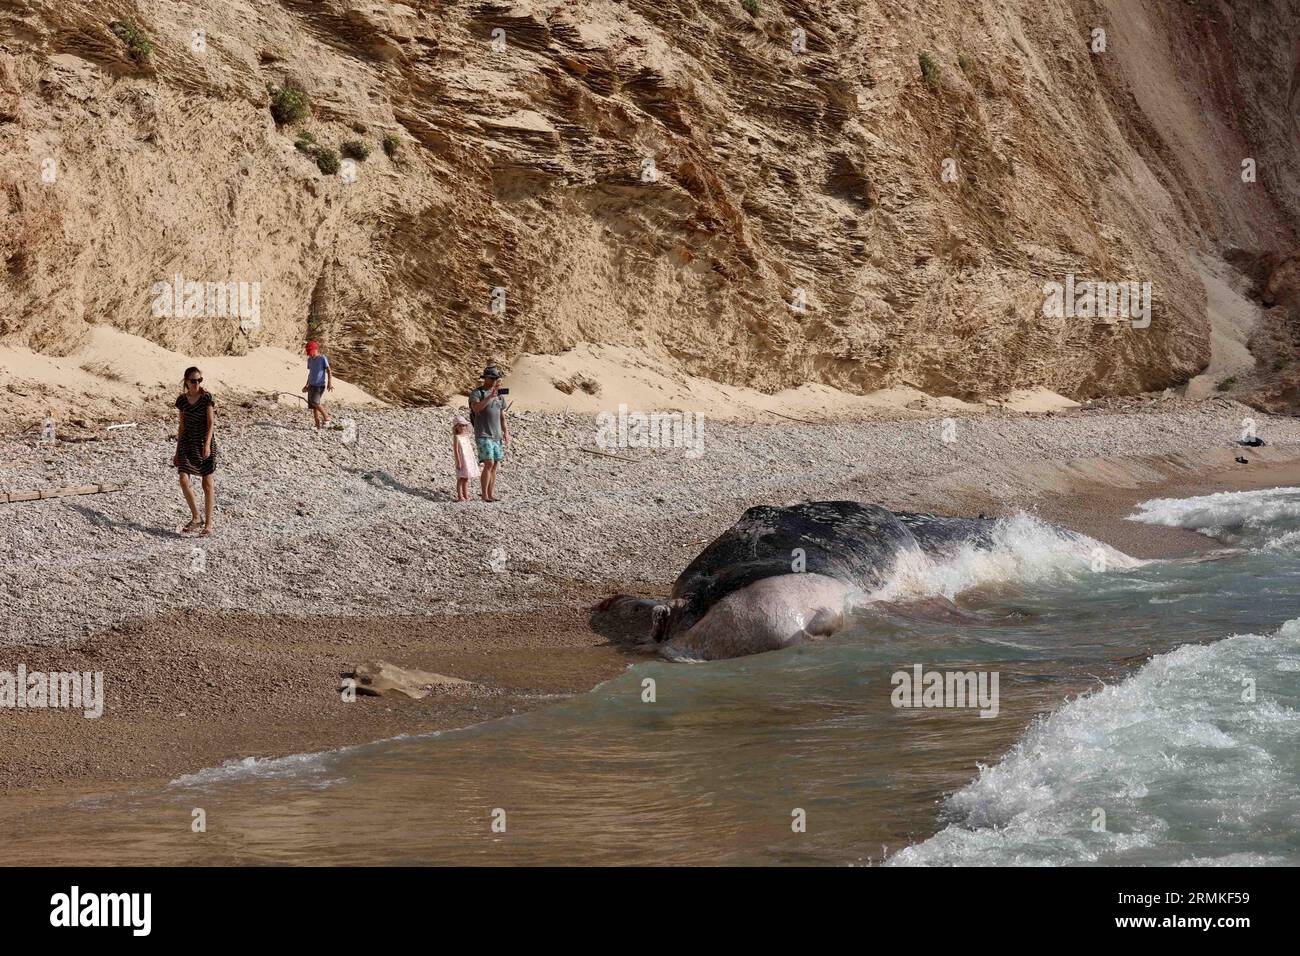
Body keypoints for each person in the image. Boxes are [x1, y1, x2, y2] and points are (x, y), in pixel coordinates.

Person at [173, 366, 216, 535]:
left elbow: (211, 423)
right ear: (187, 382)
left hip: (202, 441)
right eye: (193, 381)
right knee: (183, 479)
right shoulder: (182, 400)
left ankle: (209, 524)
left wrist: (207, 444)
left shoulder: (206, 398)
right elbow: (181, 425)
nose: (196, 384)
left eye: (199, 380)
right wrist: (177, 451)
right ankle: (196, 517)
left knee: (207, 484)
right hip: (186, 442)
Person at [467, 365, 508, 502]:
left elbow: (502, 415)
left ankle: (490, 494)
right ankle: (484, 494)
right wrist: (490, 396)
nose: (494, 381)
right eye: (492, 378)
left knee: (495, 464)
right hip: (483, 433)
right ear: (486, 378)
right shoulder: (478, 393)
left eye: (496, 378)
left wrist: (505, 432)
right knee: (488, 463)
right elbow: (476, 407)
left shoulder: (500, 396)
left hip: (496, 435)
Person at [301, 341, 333, 430]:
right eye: (308, 352)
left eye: (310, 351)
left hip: (319, 385)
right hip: (311, 385)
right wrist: (306, 385)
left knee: (315, 402)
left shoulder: (322, 358)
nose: (309, 354)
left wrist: (329, 383)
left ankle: (326, 417)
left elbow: (329, 370)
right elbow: (310, 373)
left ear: (316, 349)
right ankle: (317, 425)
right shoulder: (309, 360)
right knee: (313, 406)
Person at [452, 414, 479, 502]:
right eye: (461, 425)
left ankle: (466, 494)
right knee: (461, 478)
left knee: (466, 478)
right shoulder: (457, 437)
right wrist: (458, 461)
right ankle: (460, 496)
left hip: (468, 459)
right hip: (462, 459)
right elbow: (456, 450)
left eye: (464, 425)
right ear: (456, 427)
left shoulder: (466, 436)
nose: (463, 427)